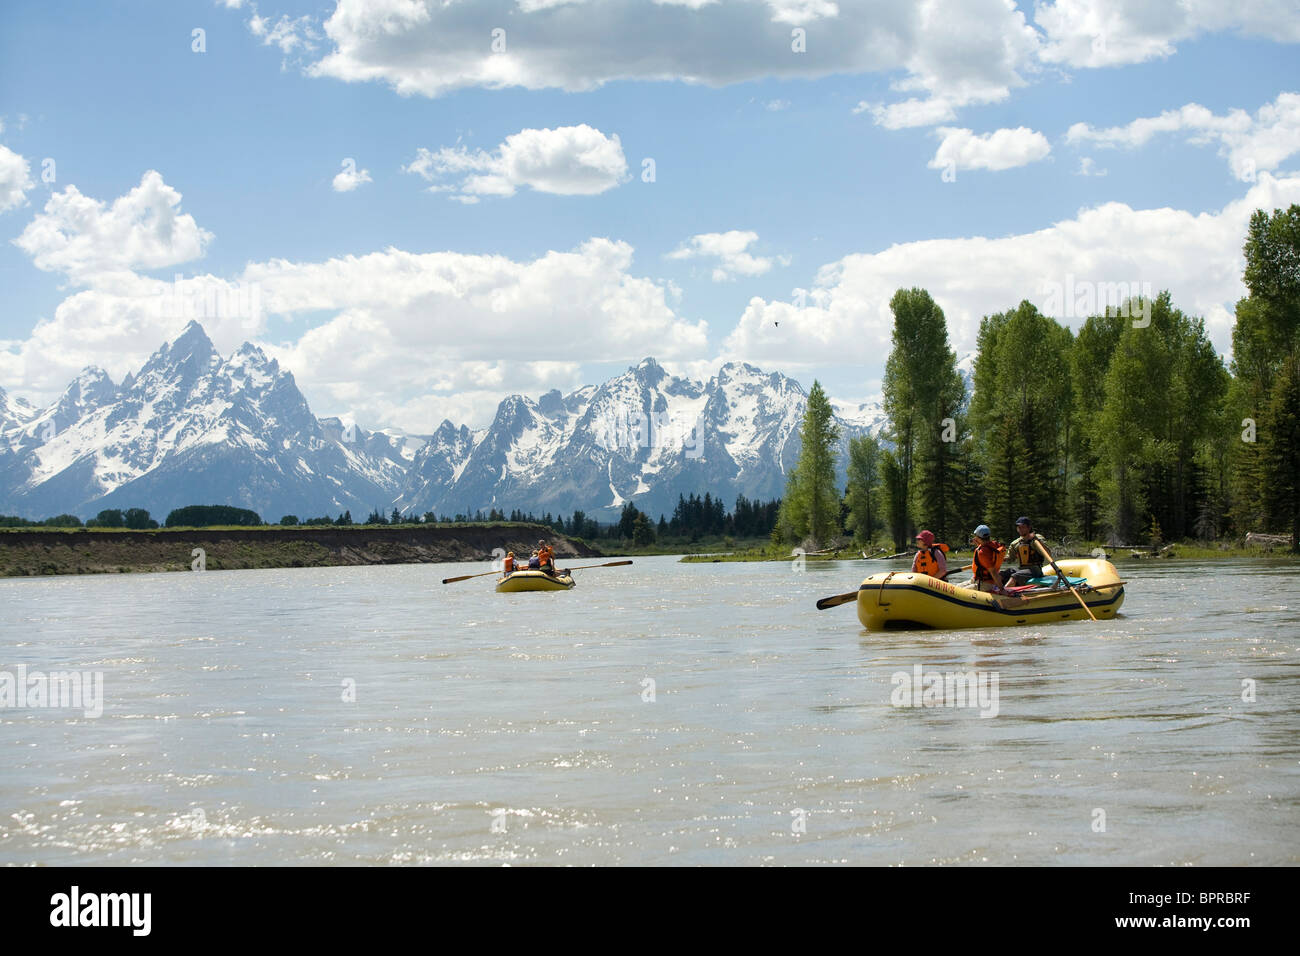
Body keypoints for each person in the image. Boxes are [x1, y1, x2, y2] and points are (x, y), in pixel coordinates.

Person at [1001, 517, 1044, 587]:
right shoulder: (1015, 543)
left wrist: (1034, 539)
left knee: (1015, 576)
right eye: (1019, 527)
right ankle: (994, 590)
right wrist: (1000, 557)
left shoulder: (1037, 538)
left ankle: (1003, 592)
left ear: (1029, 528)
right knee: (1003, 573)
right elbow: (1010, 559)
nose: (1020, 529)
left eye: (1023, 527)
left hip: (1035, 570)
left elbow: (1047, 552)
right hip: (1021, 569)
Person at [968, 524, 1006, 593]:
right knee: (957, 586)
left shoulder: (983, 553)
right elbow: (986, 547)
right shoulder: (994, 544)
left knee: (957, 592)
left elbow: (993, 572)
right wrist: (978, 543)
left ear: (978, 537)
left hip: (985, 584)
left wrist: (1002, 589)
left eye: (975, 536)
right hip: (979, 580)